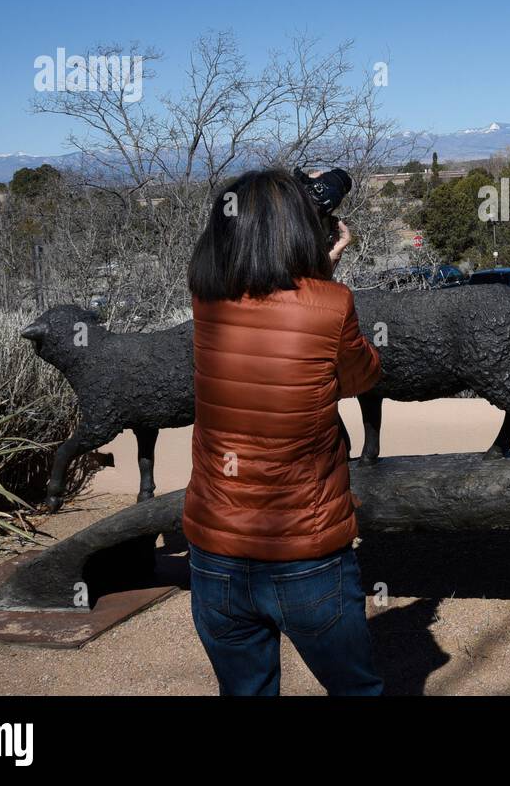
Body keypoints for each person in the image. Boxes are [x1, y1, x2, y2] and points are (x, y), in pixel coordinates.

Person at [184, 168, 384, 695]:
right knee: (356, 690)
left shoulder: (205, 297)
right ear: (301, 230)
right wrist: (325, 273)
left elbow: (256, 270)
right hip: (307, 552)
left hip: (214, 552)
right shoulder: (331, 304)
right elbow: (361, 376)